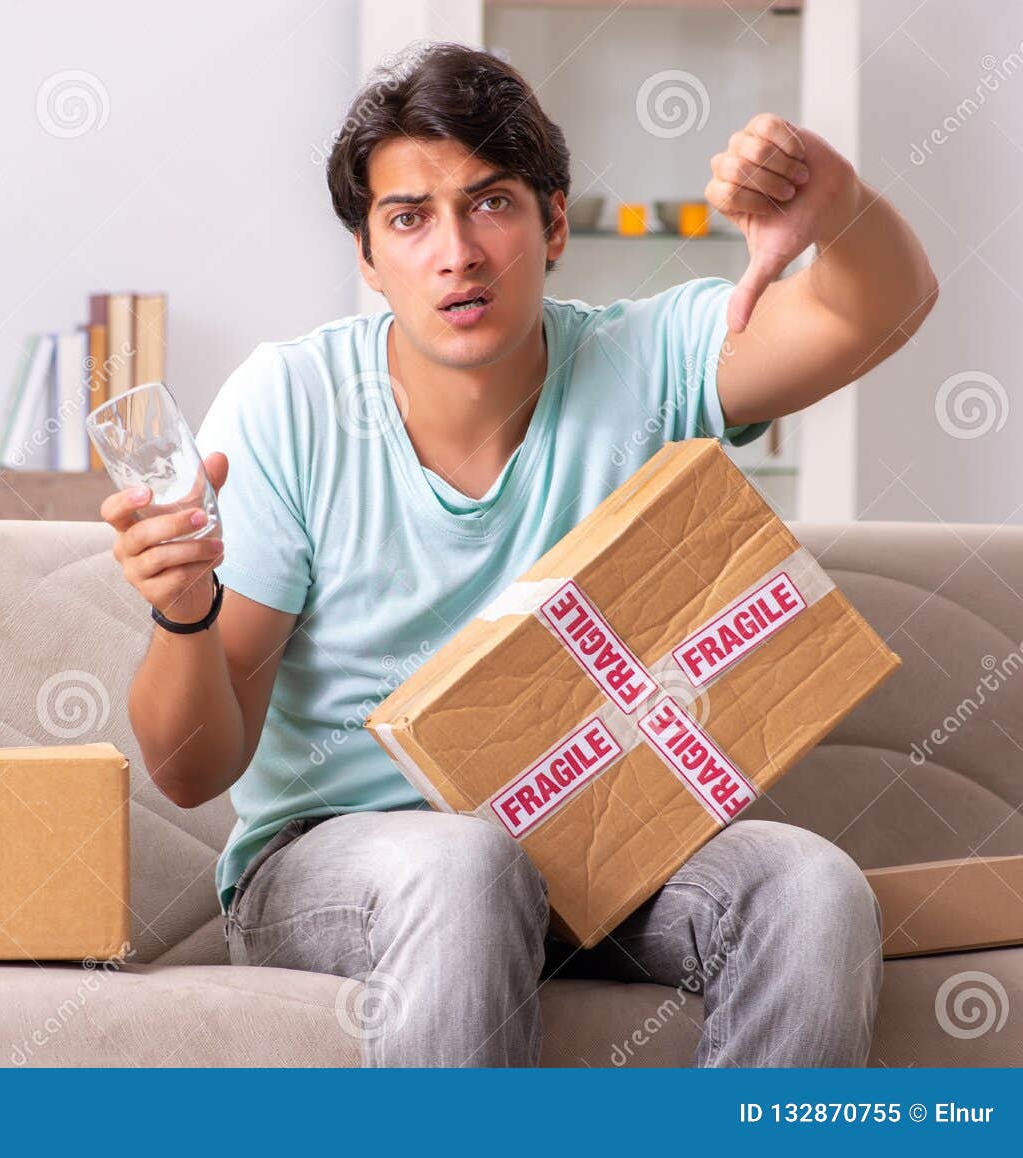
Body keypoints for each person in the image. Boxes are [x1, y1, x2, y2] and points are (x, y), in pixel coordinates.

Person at [100, 42, 937, 1066]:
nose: (455, 251)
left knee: (809, 886)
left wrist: (837, 202)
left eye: (489, 203)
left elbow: (876, 308)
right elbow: (194, 772)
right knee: (466, 863)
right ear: (367, 257)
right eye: (408, 218)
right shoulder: (291, 405)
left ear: (551, 224)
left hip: (603, 839)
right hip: (333, 861)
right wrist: (182, 609)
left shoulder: (646, 363)